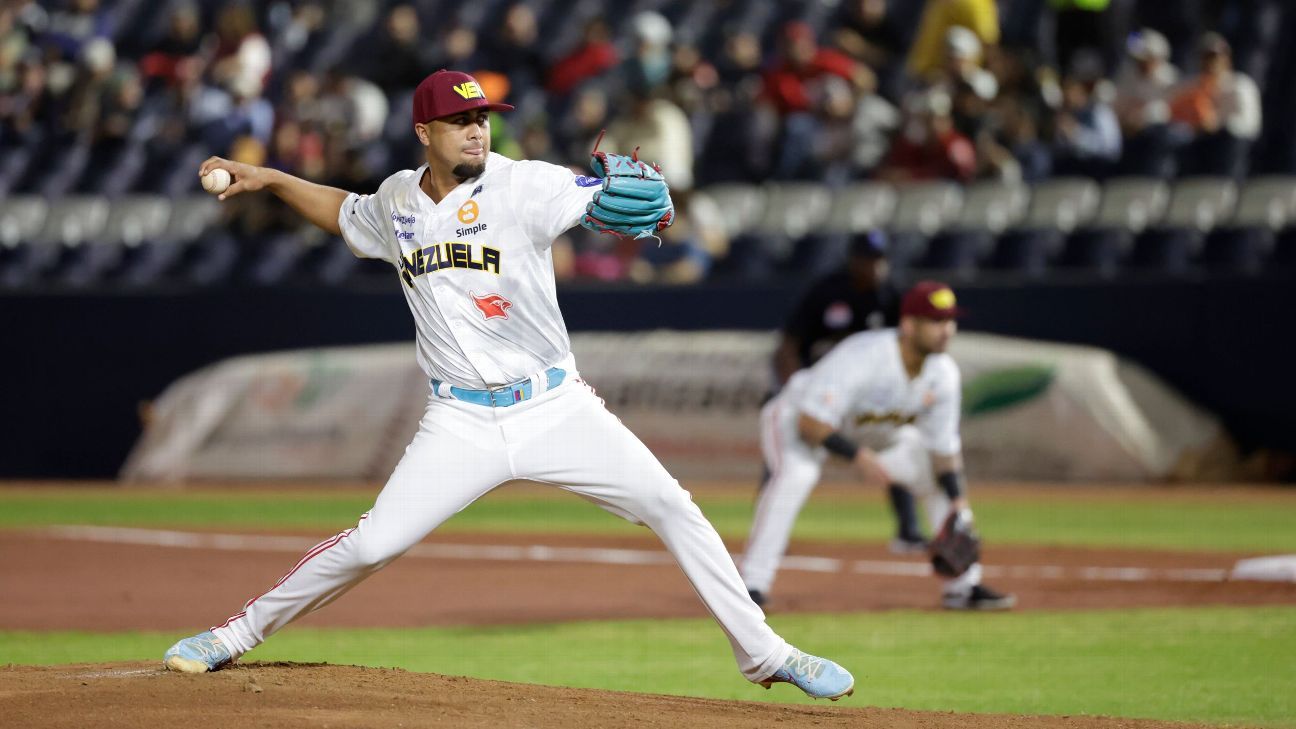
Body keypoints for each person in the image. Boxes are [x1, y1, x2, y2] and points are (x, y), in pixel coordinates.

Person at [161, 69, 854, 702]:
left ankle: (767, 652)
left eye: (485, 118)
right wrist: (272, 178)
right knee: (373, 545)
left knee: (672, 506)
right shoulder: (399, 199)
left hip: (554, 406)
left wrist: (611, 198)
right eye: (462, 121)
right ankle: (232, 636)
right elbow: (347, 212)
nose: (477, 130)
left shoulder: (524, 183)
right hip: (459, 421)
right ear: (424, 133)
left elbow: (595, 199)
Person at [742, 281, 1016, 611]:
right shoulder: (867, 355)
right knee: (796, 477)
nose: (947, 330)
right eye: (936, 321)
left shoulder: (943, 375)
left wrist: (959, 504)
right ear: (908, 324)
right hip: (796, 421)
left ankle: (963, 587)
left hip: (867, 439)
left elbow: (943, 452)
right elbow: (811, 424)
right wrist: (860, 458)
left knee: (934, 474)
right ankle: (751, 587)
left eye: (950, 320)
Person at [769, 232, 923, 553]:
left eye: (880, 260)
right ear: (853, 260)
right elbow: (788, 346)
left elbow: (907, 352)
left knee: (899, 438)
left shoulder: (892, 296)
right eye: (868, 259)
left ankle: (909, 529)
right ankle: (768, 526)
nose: (874, 267)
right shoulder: (827, 292)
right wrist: (795, 389)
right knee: (788, 455)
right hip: (818, 391)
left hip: (867, 395)